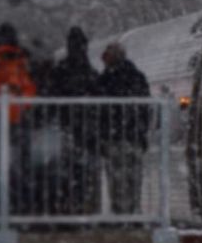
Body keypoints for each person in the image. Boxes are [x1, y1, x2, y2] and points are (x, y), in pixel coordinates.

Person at [0, 22, 38, 215]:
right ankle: (21, 210)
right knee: (22, 168)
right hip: (21, 120)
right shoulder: (23, 61)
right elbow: (32, 89)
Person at [48, 26, 100, 215]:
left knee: (65, 175)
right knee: (87, 176)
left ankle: (67, 211)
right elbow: (99, 99)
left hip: (66, 129)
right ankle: (86, 211)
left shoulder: (61, 70)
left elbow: (51, 96)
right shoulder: (91, 72)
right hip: (88, 134)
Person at [95, 42, 151, 215]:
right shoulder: (137, 76)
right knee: (134, 178)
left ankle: (120, 213)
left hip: (113, 139)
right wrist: (141, 132)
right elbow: (145, 109)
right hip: (133, 138)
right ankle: (134, 211)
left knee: (116, 180)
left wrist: (102, 135)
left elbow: (100, 112)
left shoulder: (105, 80)